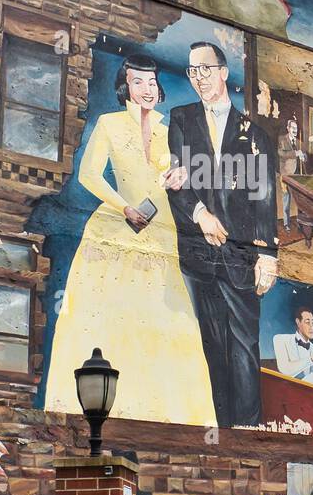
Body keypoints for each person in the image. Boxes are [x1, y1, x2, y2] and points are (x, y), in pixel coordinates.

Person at [43, 54, 216, 426]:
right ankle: (107, 411)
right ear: (126, 86)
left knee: (167, 324)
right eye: (139, 82)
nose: (148, 89)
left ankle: (166, 417)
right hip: (116, 229)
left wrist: (180, 176)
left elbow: (181, 175)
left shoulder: (170, 128)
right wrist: (123, 208)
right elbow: (89, 175)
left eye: (152, 82)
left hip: (161, 231)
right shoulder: (109, 124)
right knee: (110, 317)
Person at [165, 42, 278, 429]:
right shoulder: (180, 119)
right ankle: (222, 431)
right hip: (198, 253)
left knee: (245, 347)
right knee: (212, 347)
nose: (199, 78)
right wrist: (200, 215)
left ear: (224, 72)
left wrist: (268, 256)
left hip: (242, 256)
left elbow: (265, 199)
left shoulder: (256, 135)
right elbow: (177, 179)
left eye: (206, 69)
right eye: (193, 71)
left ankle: (247, 432)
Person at [273, 305, 313, 386]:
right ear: (298, 322)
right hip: (288, 393)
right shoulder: (280, 340)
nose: (312, 327)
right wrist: (310, 360)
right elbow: (284, 369)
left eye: (312, 322)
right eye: (307, 322)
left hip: (308, 396)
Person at [277, 116, 305, 230]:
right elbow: (281, 154)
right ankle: (286, 224)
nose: (295, 130)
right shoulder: (282, 139)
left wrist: (303, 156)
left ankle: (300, 222)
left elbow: (303, 155)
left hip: (298, 175)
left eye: (296, 128)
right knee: (286, 200)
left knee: (300, 201)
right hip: (286, 175)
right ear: (288, 128)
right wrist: (295, 153)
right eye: (292, 128)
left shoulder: (299, 142)